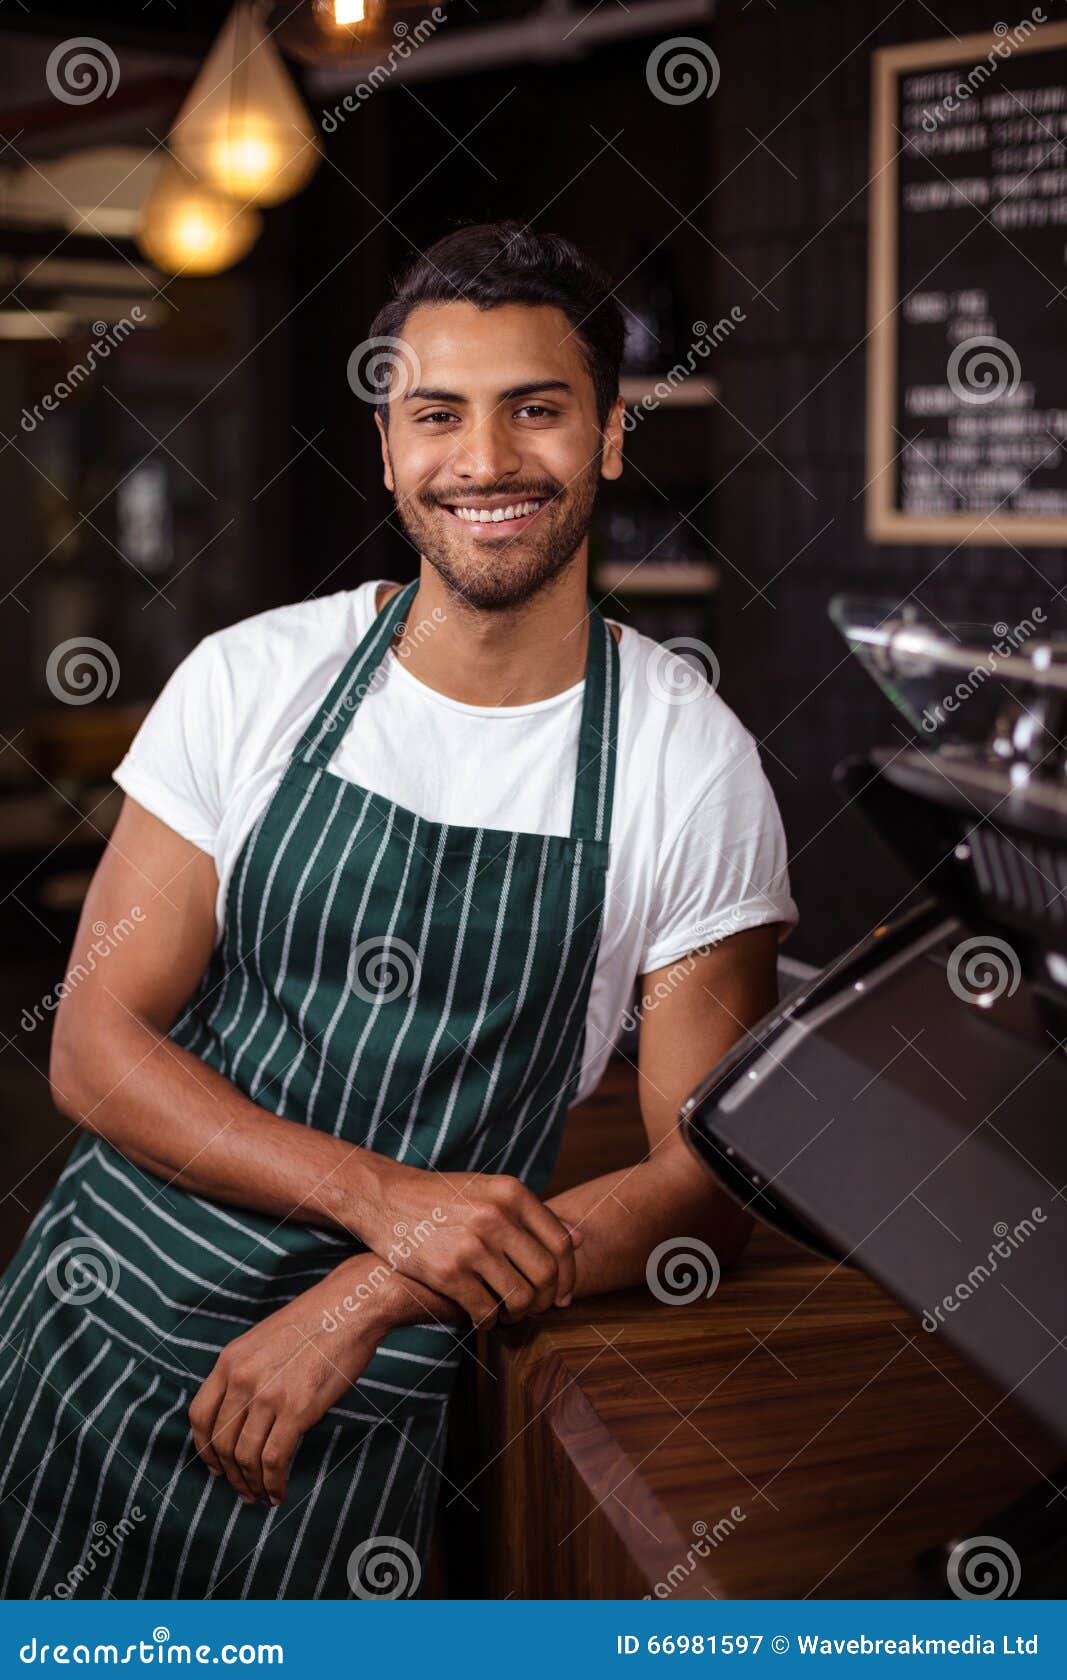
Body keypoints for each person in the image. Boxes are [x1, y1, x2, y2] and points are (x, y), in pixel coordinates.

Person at [0, 221, 797, 1599]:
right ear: (388, 447)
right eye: (438, 415)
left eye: (536, 410)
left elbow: (706, 1189)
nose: (484, 461)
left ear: (607, 435)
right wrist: (388, 1199)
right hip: (96, 1325)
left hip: (359, 1400)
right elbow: (94, 1043)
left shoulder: (688, 761)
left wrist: (378, 1285)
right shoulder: (254, 682)